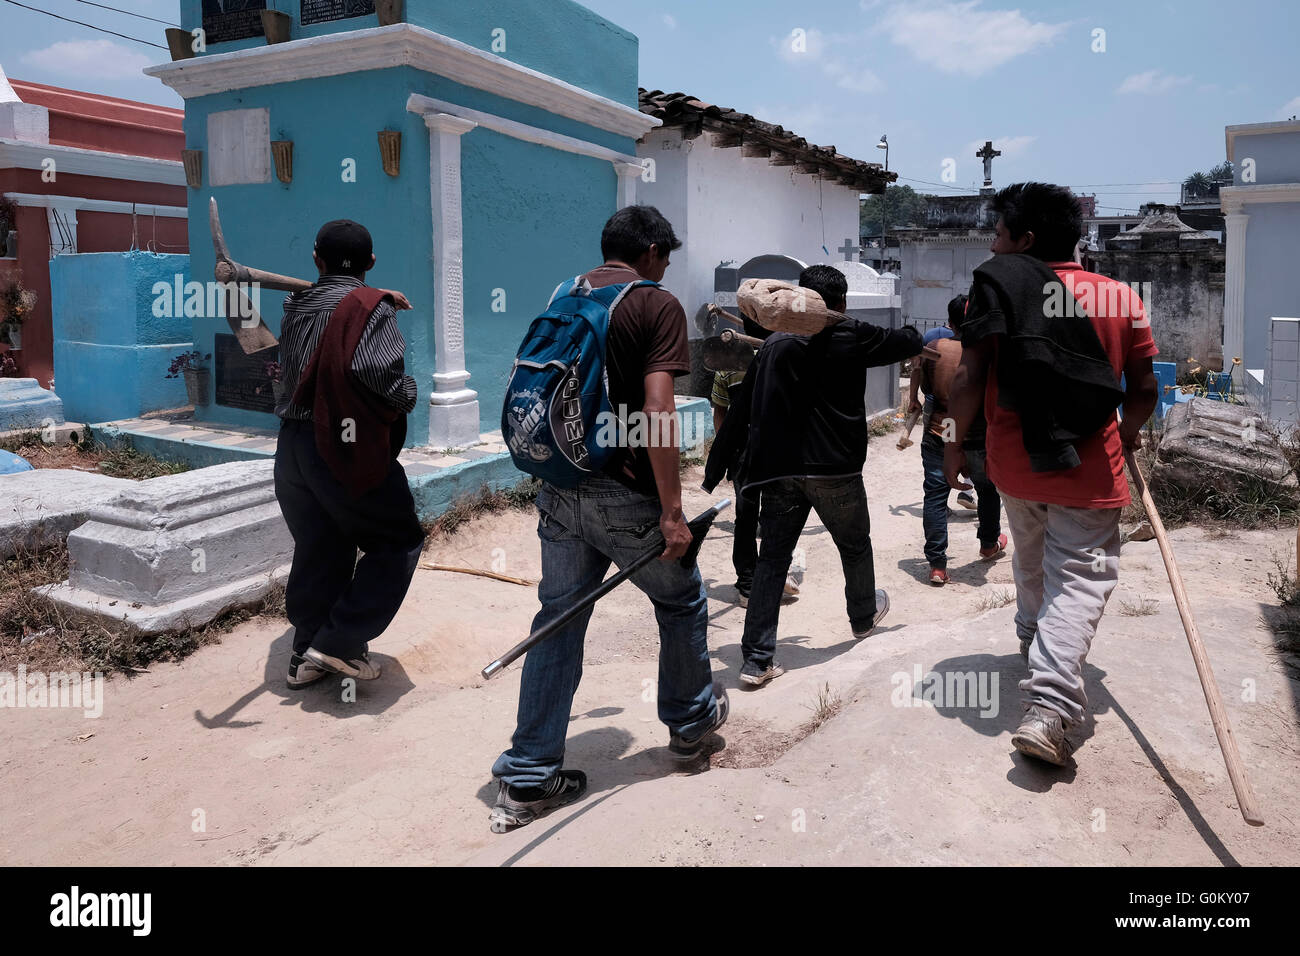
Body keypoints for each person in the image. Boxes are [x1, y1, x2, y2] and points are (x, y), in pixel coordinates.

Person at [490, 206, 727, 831]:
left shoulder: (564, 292)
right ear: (649, 250)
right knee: (680, 603)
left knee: (559, 620)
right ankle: (691, 726)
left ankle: (530, 773)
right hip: (624, 494)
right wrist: (673, 513)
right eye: (667, 256)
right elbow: (656, 409)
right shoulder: (656, 304)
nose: (668, 266)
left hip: (558, 484)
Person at [943, 182, 1159, 766]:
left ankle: (1032, 635)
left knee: (1032, 558)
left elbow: (968, 377)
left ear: (1026, 240)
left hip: (1016, 466)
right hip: (1090, 470)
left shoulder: (1000, 294)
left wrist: (951, 444)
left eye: (999, 233)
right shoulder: (1118, 299)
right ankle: (1052, 708)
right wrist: (1130, 432)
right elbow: (1143, 389)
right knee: (1079, 582)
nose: (993, 243)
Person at [734, 265, 922, 687]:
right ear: (840, 303)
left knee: (773, 559)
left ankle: (756, 659)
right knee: (854, 546)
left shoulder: (779, 339)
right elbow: (906, 340)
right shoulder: (850, 334)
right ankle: (863, 617)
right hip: (835, 468)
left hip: (783, 470)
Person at [273, 219, 425, 687]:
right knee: (397, 540)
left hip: (293, 446)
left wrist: (376, 297)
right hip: (341, 444)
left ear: (316, 259)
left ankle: (306, 653)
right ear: (371, 262)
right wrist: (407, 393)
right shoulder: (368, 306)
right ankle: (337, 643)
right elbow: (373, 370)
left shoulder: (294, 304)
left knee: (321, 545)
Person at [916, 294, 1006, 585]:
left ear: (950, 322)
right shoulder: (988, 354)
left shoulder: (934, 348)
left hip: (940, 433)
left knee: (935, 497)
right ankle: (989, 544)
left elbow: (928, 389)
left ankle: (938, 565)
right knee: (988, 490)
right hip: (978, 437)